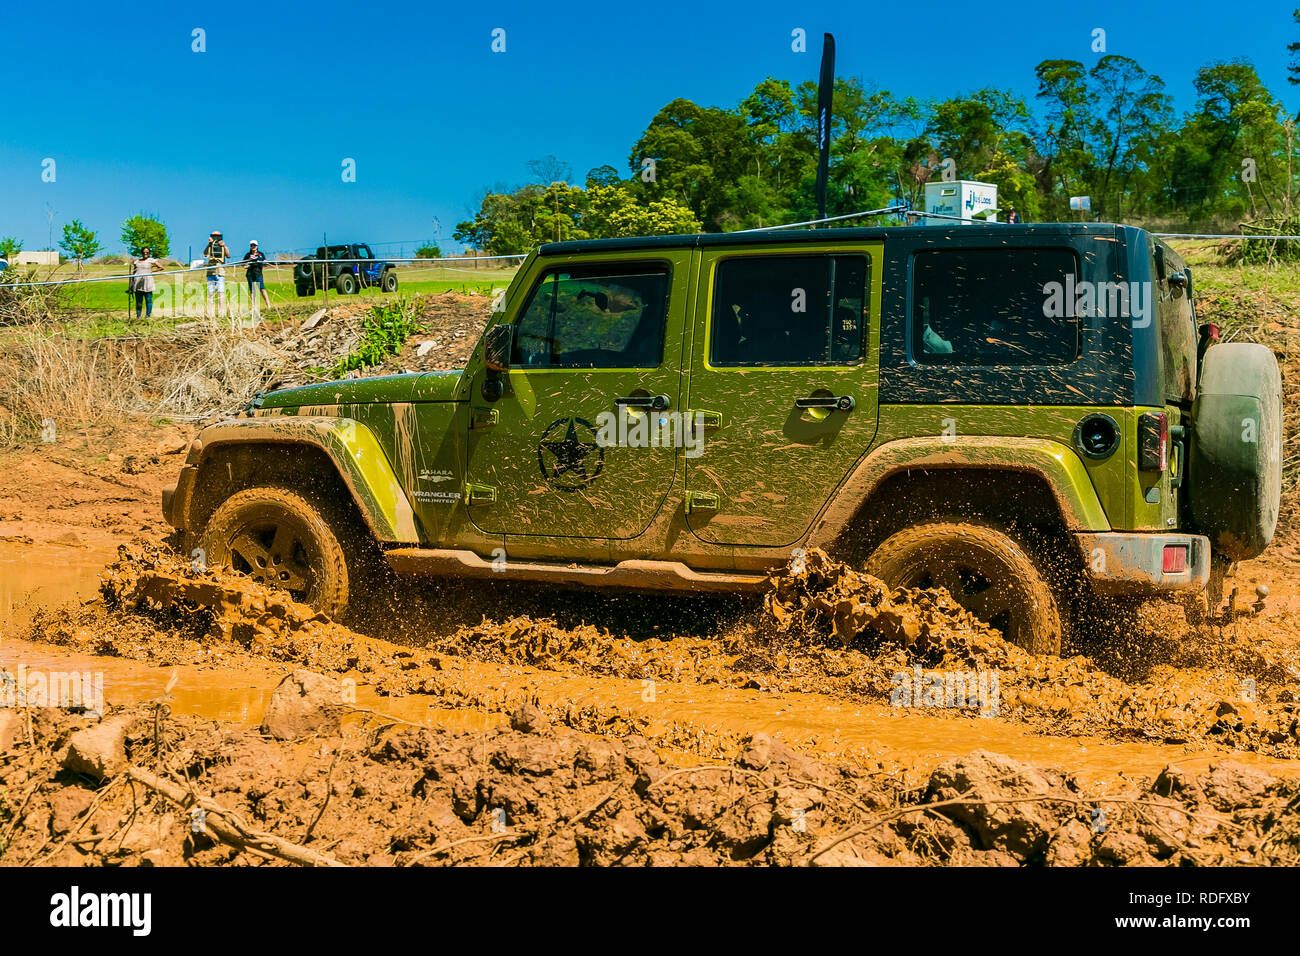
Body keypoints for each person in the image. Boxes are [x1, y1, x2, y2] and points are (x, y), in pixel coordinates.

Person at [130, 246, 164, 318]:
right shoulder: (136, 261)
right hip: (137, 283)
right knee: (138, 301)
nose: (145, 253)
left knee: (148, 299)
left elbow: (161, 267)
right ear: (141, 253)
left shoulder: (151, 260)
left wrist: (152, 271)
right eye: (144, 252)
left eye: (147, 252)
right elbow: (134, 272)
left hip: (147, 282)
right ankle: (138, 317)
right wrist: (131, 284)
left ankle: (147, 316)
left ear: (149, 253)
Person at [203, 229, 230, 318]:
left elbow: (228, 255)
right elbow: (205, 253)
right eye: (213, 236)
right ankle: (211, 314)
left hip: (220, 272)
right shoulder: (210, 246)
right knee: (211, 293)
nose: (215, 238)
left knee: (220, 293)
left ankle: (222, 313)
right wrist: (209, 244)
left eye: (217, 236)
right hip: (210, 272)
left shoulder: (223, 245)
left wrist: (224, 246)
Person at [243, 239, 270, 310]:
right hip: (250, 274)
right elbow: (243, 264)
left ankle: (268, 305)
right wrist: (247, 266)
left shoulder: (261, 254)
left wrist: (265, 262)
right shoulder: (248, 255)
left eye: (254, 245)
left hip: (258, 274)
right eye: (252, 245)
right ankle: (253, 307)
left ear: (257, 246)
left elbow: (265, 263)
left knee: (262, 289)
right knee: (252, 290)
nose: (253, 247)